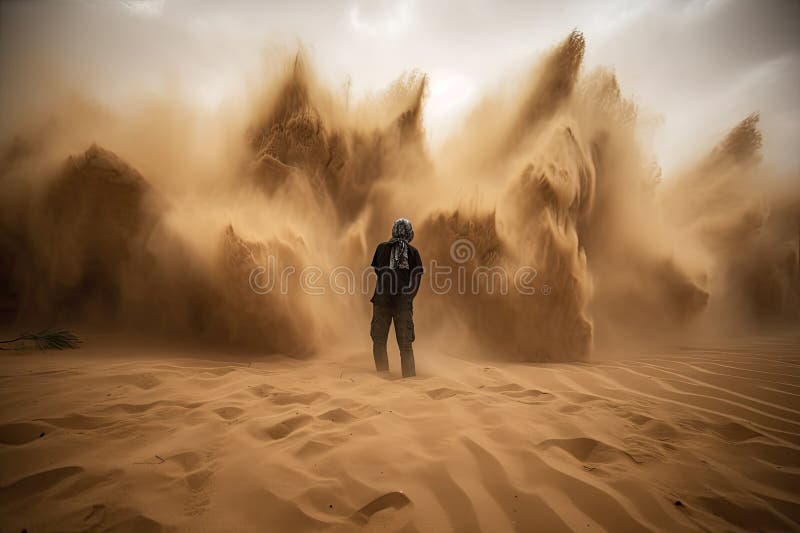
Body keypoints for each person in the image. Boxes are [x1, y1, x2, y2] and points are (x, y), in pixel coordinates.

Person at [369, 218, 423, 377]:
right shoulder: (413, 252)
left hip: (381, 301)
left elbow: (378, 271)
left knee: (379, 342)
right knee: (406, 346)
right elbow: (416, 280)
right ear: (410, 233)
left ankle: (383, 375)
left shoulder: (381, 248)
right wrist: (408, 298)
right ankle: (409, 378)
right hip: (403, 305)